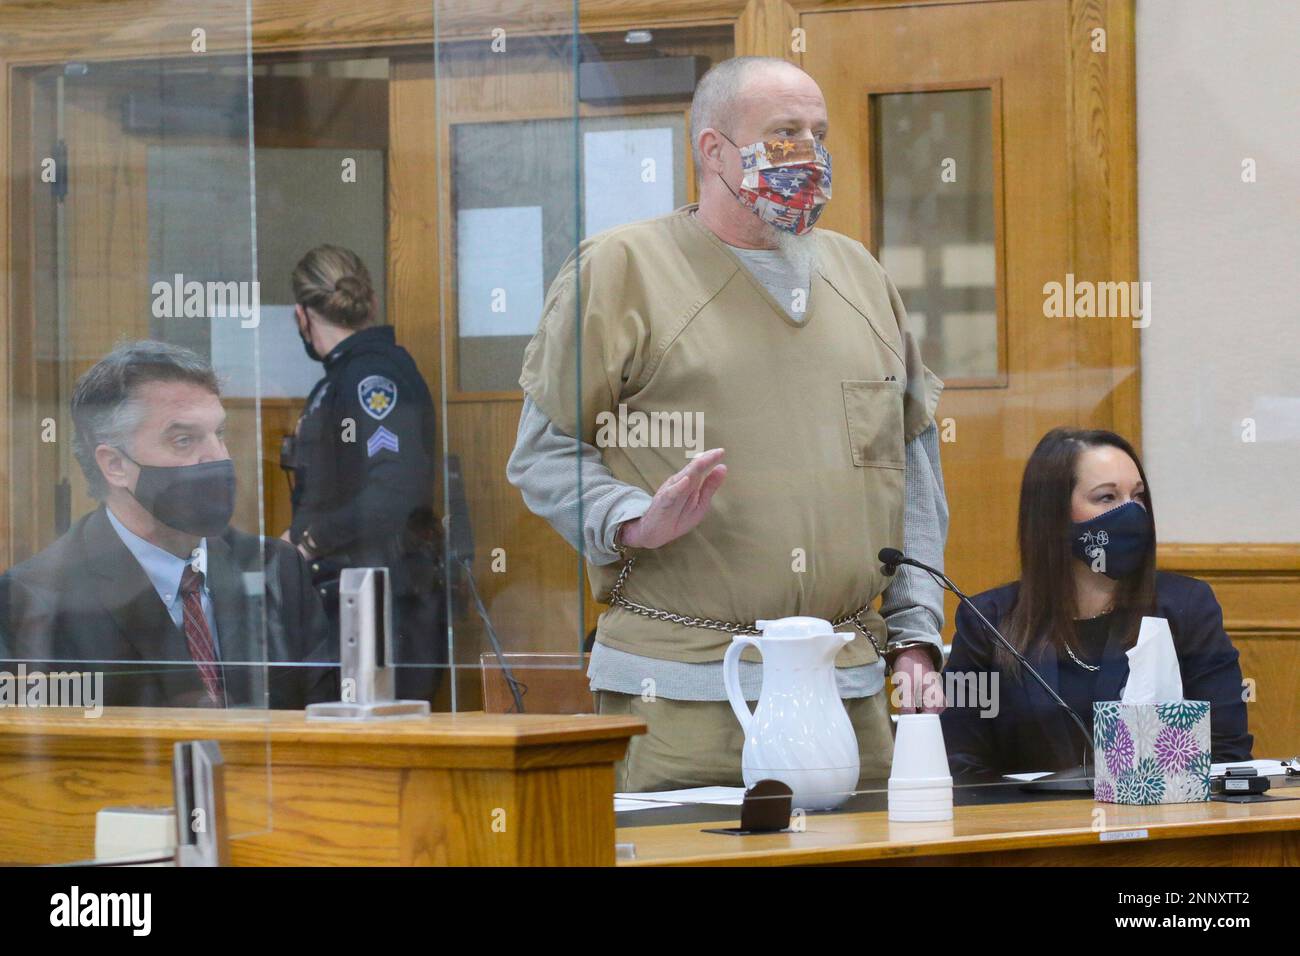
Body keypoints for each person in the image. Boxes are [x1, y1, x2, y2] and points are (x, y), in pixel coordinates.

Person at [508, 56, 948, 792]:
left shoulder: (862, 277)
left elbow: (914, 470)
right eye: (784, 133)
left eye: (818, 133)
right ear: (713, 151)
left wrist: (917, 635)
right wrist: (630, 519)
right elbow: (543, 452)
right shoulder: (621, 271)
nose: (809, 152)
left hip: (850, 692)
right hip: (682, 694)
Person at [0, 340, 337, 708]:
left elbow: (321, 721)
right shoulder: (37, 598)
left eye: (219, 434)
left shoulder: (276, 569)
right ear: (115, 465)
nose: (217, 457)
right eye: (184, 440)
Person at [940, 427, 1253, 779]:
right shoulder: (987, 621)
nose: (1131, 512)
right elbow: (960, 763)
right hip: (1030, 814)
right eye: (1106, 497)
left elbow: (1226, 752)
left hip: (1160, 811)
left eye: (1138, 496)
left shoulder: (1187, 607)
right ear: (1053, 514)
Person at [283, 244, 443, 703]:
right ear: (369, 303)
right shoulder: (347, 376)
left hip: (381, 608)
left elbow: (395, 492)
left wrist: (309, 541)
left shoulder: (371, 377)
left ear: (301, 315)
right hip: (357, 604)